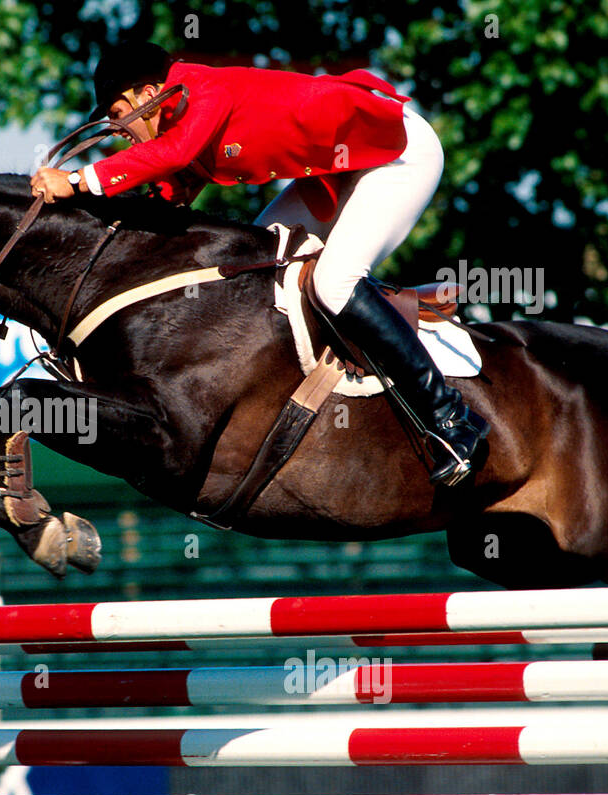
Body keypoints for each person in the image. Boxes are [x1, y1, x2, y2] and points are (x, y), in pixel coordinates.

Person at [30, 41, 489, 487]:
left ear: (148, 97)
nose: (118, 132)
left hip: (397, 152)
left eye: (116, 116)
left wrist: (77, 180)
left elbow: (171, 156)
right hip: (342, 171)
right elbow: (167, 194)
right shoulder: (179, 116)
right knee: (258, 264)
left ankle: (450, 419)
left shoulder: (202, 89)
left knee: (334, 283)